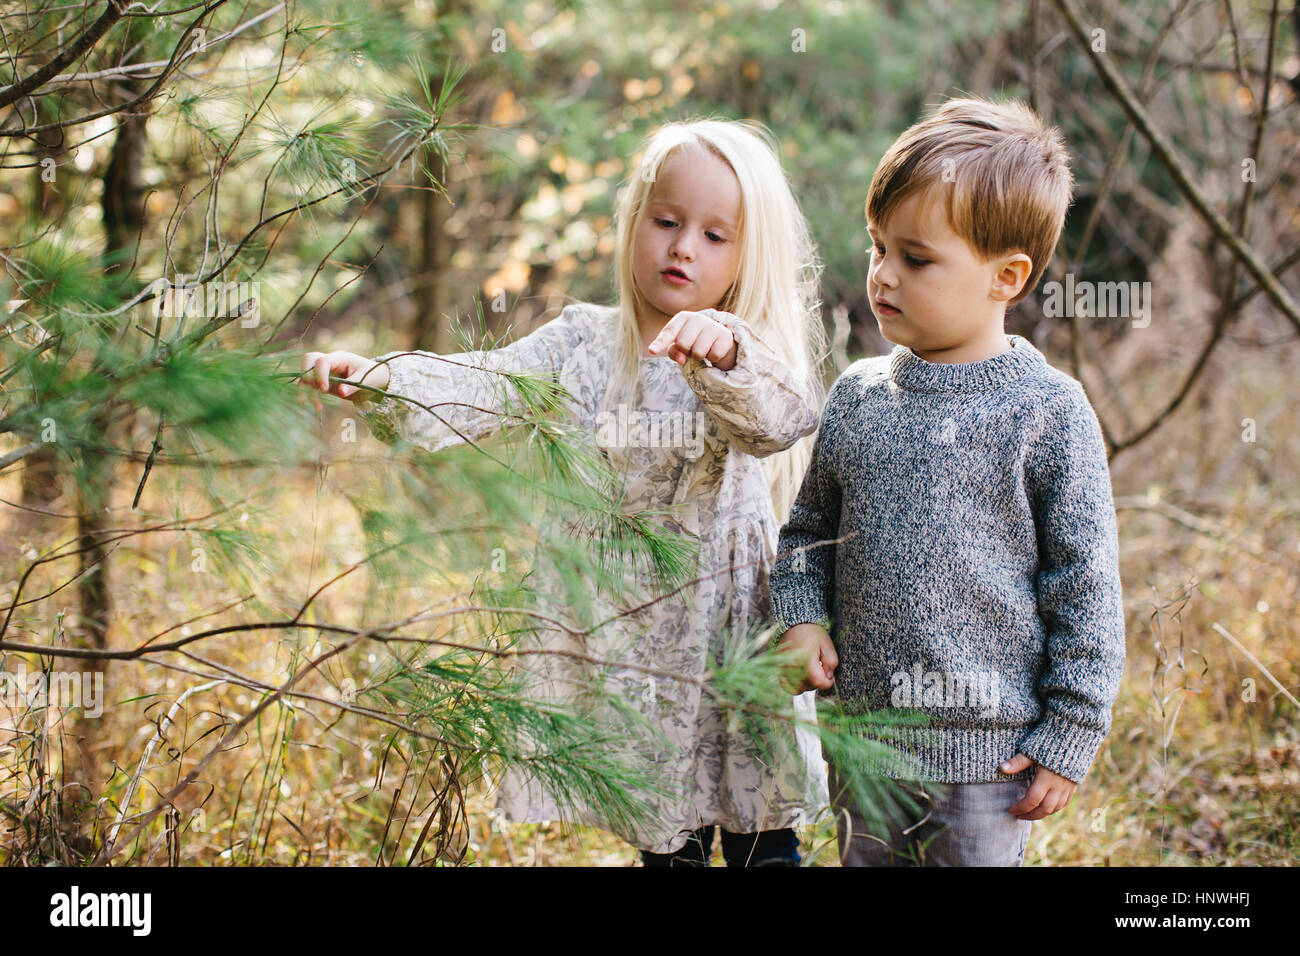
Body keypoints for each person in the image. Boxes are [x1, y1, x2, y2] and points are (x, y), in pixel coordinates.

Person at [301, 118, 831, 866]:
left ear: (750, 255)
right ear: (634, 222)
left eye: (716, 236)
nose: (683, 247)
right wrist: (385, 377)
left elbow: (780, 418)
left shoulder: (745, 350)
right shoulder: (583, 342)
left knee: (761, 838)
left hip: (730, 626)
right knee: (663, 837)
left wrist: (724, 353)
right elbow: (485, 386)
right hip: (631, 632)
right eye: (668, 221)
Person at [769, 96, 1126, 866]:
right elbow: (805, 537)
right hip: (866, 748)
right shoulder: (859, 397)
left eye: (916, 258)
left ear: (1007, 276)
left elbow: (1087, 587)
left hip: (989, 768)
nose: (883, 275)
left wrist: (1070, 732)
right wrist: (802, 618)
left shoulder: (1047, 412)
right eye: (876, 247)